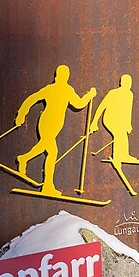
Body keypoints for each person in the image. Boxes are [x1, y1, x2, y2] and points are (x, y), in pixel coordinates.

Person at [15, 64, 96, 195]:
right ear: (59, 76)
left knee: (46, 149)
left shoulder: (64, 90)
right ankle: (47, 185)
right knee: (52, 152)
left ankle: (24, 160)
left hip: (52, 124)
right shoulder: (56, 89)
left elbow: (78, 103)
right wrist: (21, 114)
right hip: (47, 123)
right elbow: (32, 99)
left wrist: (88, 96)